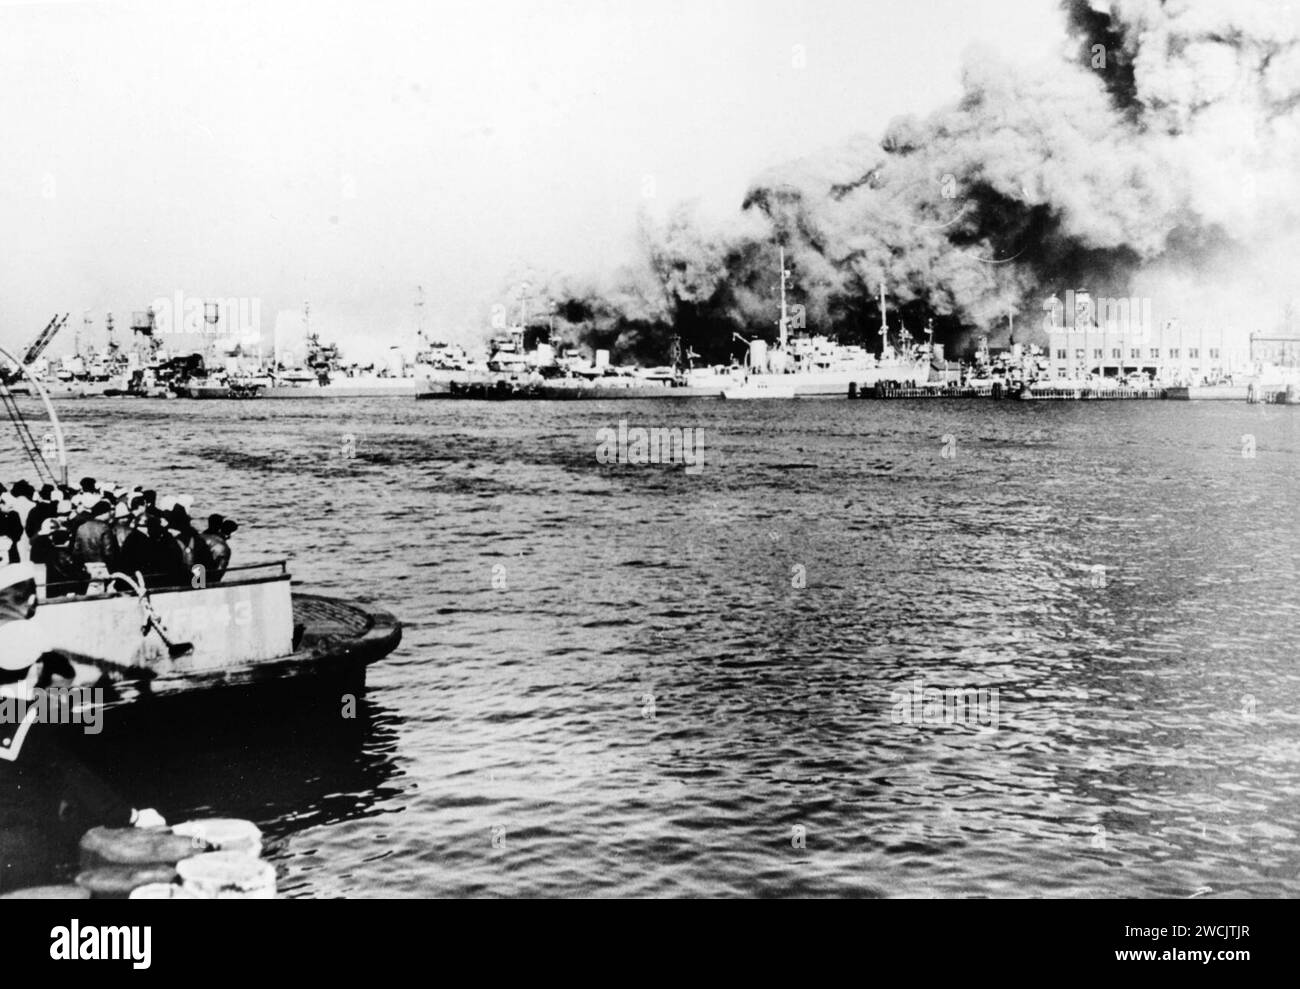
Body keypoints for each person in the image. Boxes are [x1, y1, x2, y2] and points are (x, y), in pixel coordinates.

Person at [71, 500, 118, 574]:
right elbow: (108, 552)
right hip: (102, 568)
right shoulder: (104, 527)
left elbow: (76, 550)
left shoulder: (81, 527)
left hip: (86, 568)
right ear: (104, 513)